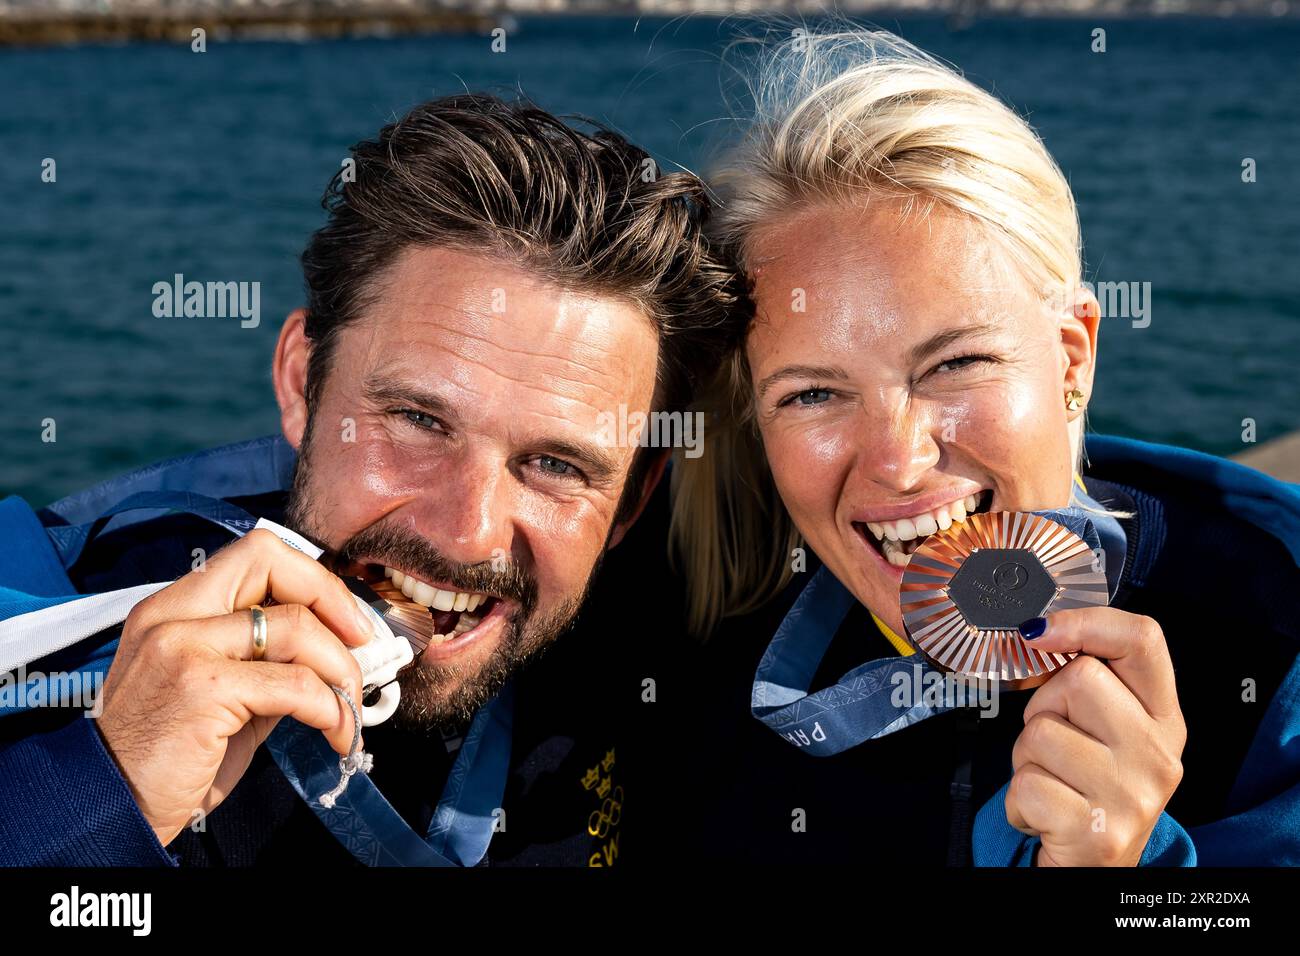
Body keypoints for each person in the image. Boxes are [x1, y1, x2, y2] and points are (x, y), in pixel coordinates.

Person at [0, 93, 741, 866]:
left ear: (632, 503)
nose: (470, 532)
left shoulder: (695, 645)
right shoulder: (42, 672)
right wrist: (101, 802)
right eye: (419, 421)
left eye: (556, 465)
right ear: (299, 384)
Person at [666, 29, 1300, 866]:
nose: (896, 461)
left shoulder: (1268, 644)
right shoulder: (685, 636)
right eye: (813, 394)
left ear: (1073, 357)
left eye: (956, 363)